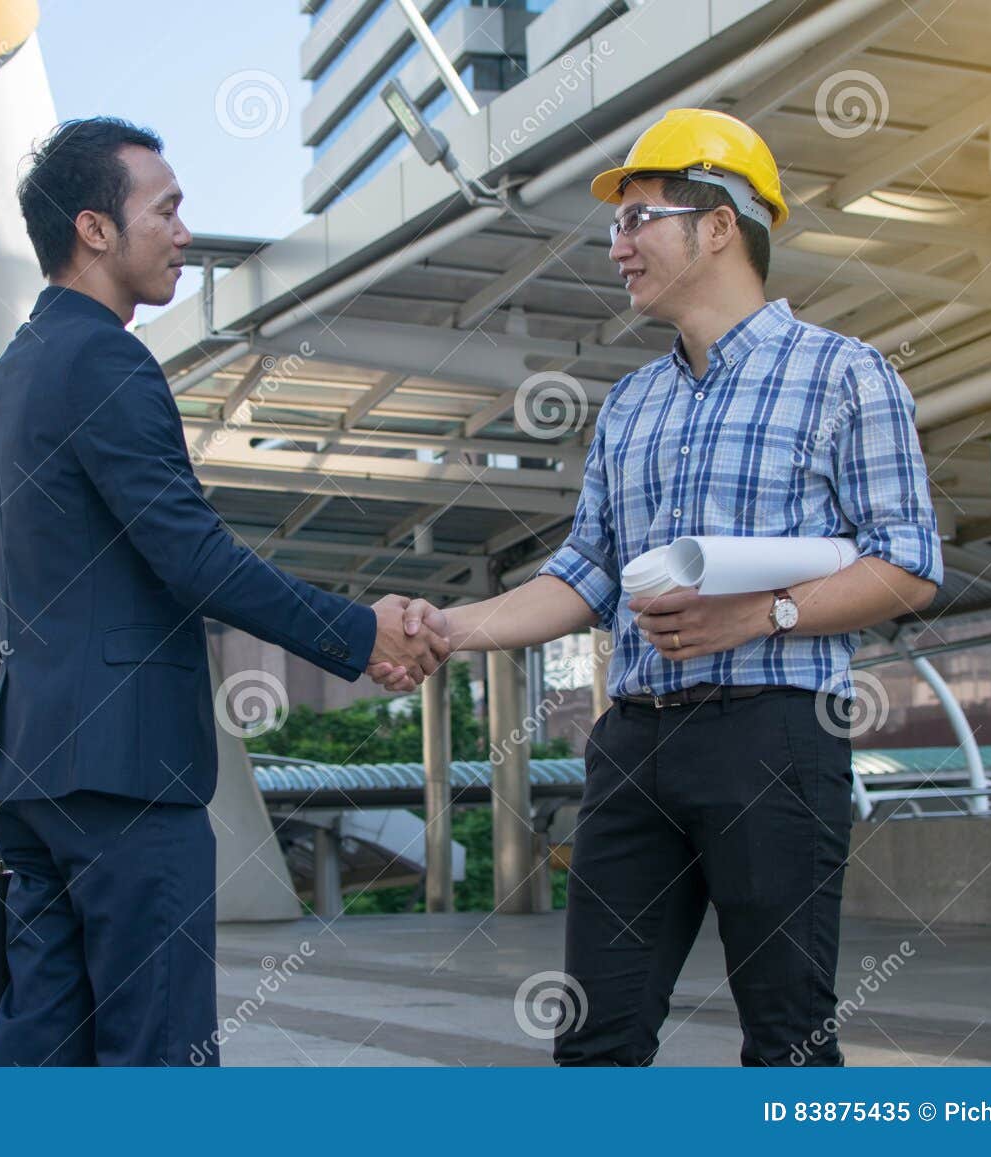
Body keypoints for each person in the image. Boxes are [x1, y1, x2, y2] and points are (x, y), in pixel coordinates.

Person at [368, 108, 941, 1066]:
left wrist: (760, 614)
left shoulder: (847, 376)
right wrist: (446, 626)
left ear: (719, 224)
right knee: (595, 1034)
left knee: (788, 1039)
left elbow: (909, 562)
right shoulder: (633, 402)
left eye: (638, 220)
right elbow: (583, 573)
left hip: (776, 732)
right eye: (616, 229)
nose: (618, 249)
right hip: (633, 742)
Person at [0, 117, 448, 1067]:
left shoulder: (7, 378)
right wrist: (361, 629)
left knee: (39, 1042)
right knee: (157, 1049)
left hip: (31, 774)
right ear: (96, 229)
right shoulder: (106, 359)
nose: (184, 231)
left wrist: (12, 736)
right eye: (167, 209)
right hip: (129, 770)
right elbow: (191, 554)